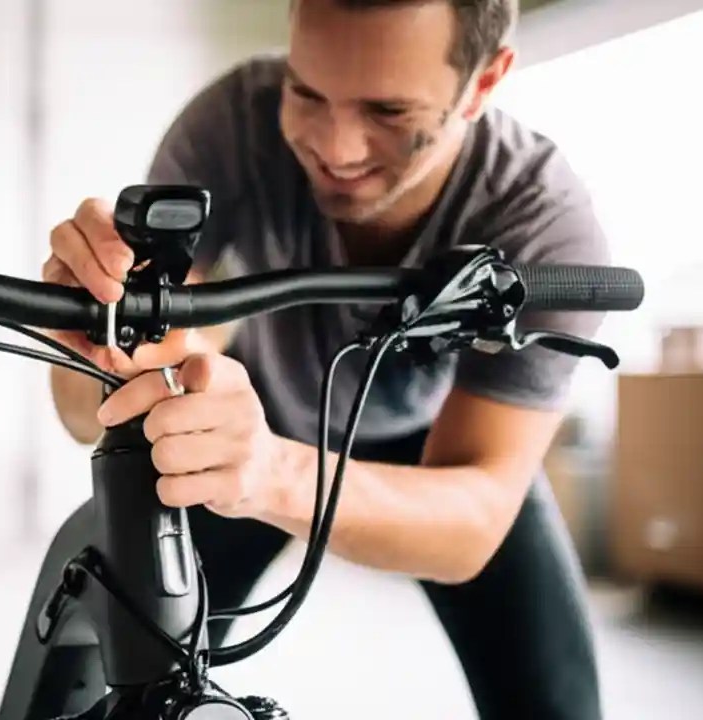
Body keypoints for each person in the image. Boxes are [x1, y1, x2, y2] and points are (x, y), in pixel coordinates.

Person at [43, 1, 608, 718]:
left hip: (434, 442)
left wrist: (273, 473)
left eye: (390, 111)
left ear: (484, 83)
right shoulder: (231, 126)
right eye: (306, 92)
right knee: (108, 679)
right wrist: (91, 342)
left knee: (558, 708)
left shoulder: (544, 220)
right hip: (259, 409)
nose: (336, 148)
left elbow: (474, 523)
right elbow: (86, 415)